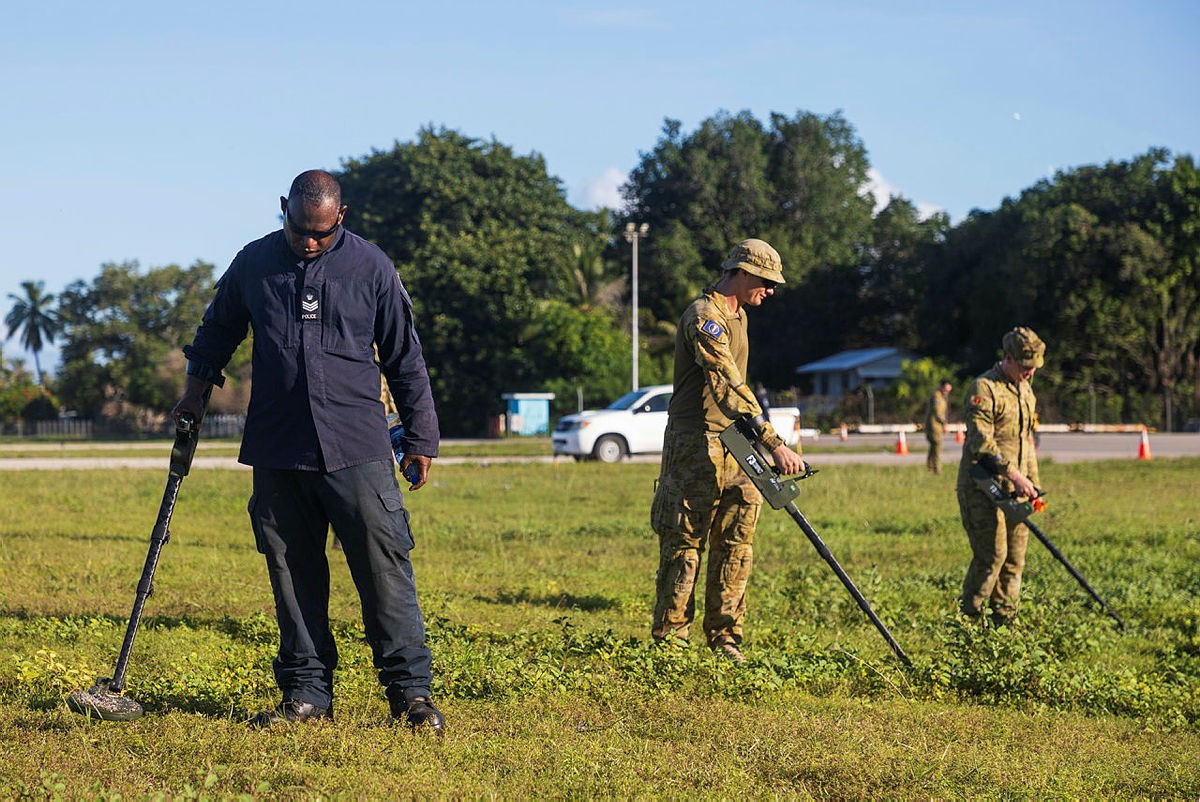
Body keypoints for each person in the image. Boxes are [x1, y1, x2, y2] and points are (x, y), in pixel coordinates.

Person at [174, 170, 445, 734]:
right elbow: (216, 332)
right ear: (284, 210)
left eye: (322, 232)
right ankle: (306, 694)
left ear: (340, 217)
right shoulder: (254, 263)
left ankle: (411, 696)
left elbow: (405, 356)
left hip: (358, 447)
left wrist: (421, 438)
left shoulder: (371, 266)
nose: (310, 242)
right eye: (300, 230)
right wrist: (194, 395)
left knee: (384, 569)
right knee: (292, 573)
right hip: (278, 448)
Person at [650, 238, 805, 663]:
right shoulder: (705, 317)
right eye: (765, 281)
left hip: (737, 444)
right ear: (740, 272)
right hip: (694, 444)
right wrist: (773, 441)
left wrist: (757, 439)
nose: (770, 291)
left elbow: (739, 386)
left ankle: (725, 638)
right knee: (685, 544)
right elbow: (725, 382)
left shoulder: (741, 316)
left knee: (737, 544)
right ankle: (671, 643)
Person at [956, 327, 1045, 625]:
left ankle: (1004, 625)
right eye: (1025, 366)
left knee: (1014, 560)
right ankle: (970, 623)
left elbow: (1026, 441)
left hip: (1016, 490)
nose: (1030, 373)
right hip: (982, 486)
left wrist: (1032, 483)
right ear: (1008, 358)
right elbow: (981, 443)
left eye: (1034, 367)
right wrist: (1015, 475)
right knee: (992, 557)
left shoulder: (1025, 390)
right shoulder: (984, 388)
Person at [924, 379, 953, 474]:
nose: (947, 392)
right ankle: (937, 468)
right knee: (937, 447)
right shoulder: (937, 396)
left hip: (937, 426)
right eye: (945, 389)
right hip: (934, 426)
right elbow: (938, 412)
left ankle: (930, 467)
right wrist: (944, 423)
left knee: (933, 447)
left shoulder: (942, 397)